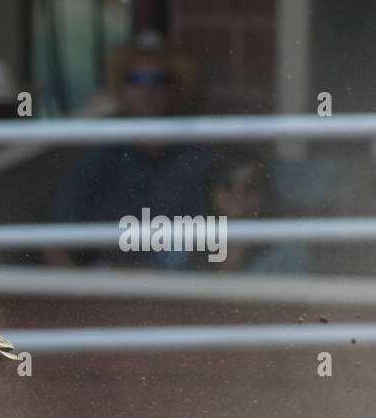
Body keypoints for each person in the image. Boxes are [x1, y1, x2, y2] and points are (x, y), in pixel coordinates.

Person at [44, 32, 214, 267]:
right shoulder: (102, 151)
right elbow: (54, 241)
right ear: (120, 90)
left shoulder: (196, 155)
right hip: (109, 284)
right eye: (134, 78)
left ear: (175, 90)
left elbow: (220, 243)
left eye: (159, 79)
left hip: (178, 287)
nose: (146, 89)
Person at [155, 152, 308, 273]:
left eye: (251, 185)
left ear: (265, 194)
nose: (238, 194)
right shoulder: (184, 245)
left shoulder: (285, 254)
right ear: (211, 191)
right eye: (228, 184)